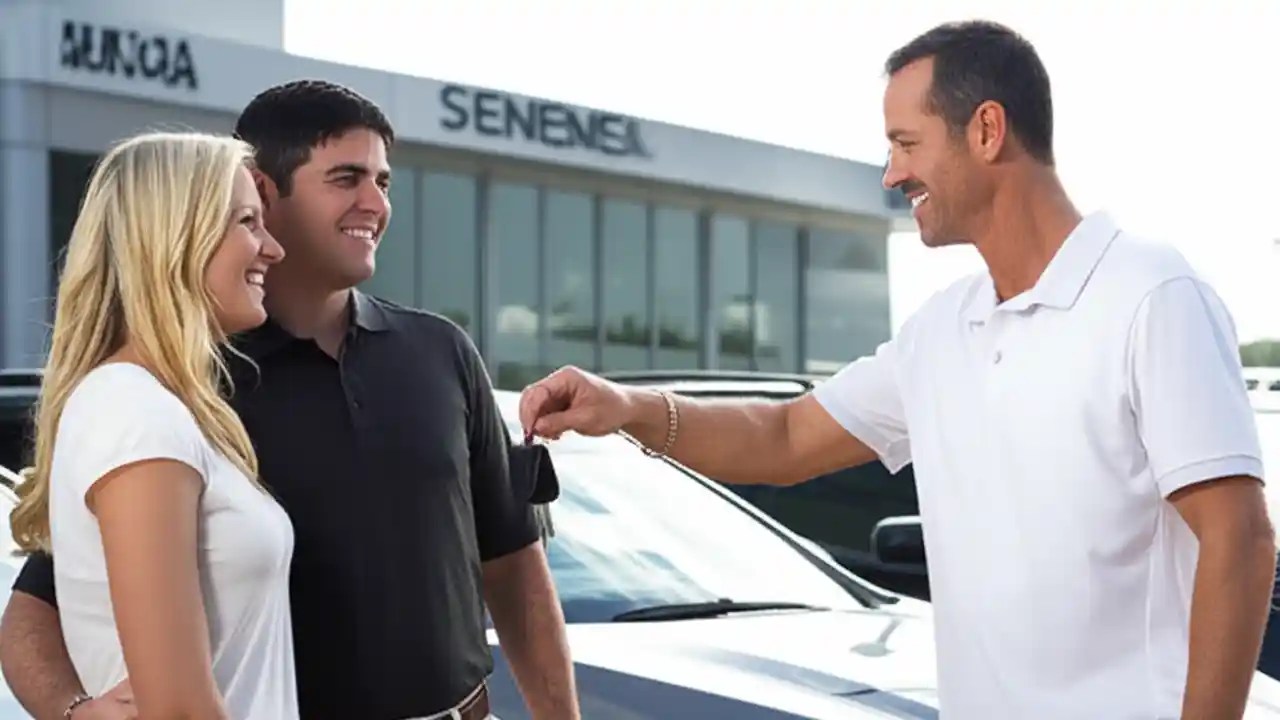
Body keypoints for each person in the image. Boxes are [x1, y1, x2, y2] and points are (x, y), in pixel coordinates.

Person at [517, 20, 1275, 720]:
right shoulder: (944, 329)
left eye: (906, 144)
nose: (890, 174)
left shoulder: (1150, 294)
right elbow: (783, 438)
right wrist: (626, 408)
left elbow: (1238, 538)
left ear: (986, 129)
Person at [0, 81, 578, 720]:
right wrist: (74, 710)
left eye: (384, 182)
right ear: (265, 191)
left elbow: (515, 567)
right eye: (347, 178)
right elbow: (45, 602)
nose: (375, 203)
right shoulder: (181, 388)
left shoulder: (441, 352)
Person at [7, 132, 295, 718]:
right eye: (247, 221)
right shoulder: (134, 412)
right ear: (175, 237)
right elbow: (179, 710)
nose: (273, 249)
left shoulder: (158, 406)